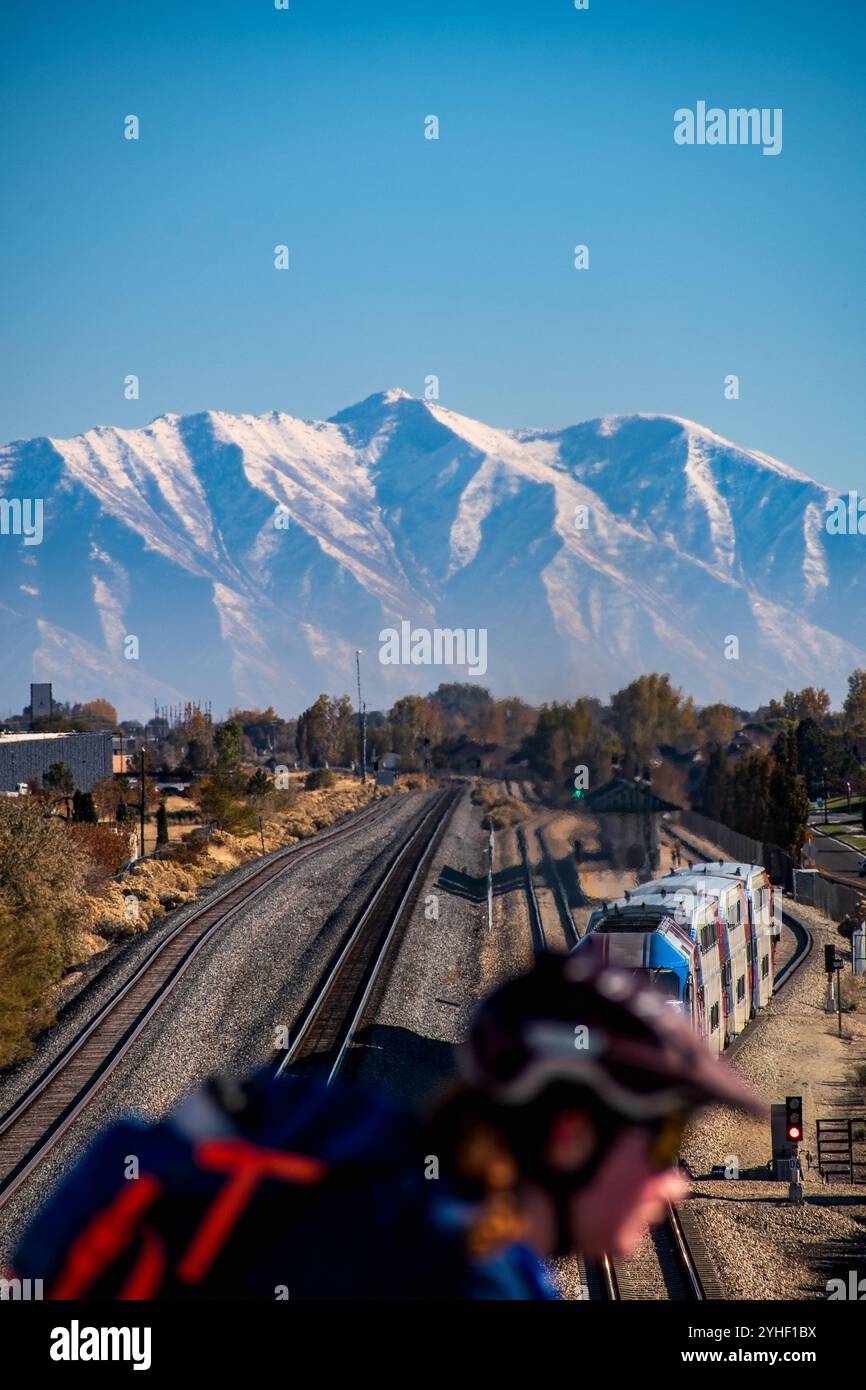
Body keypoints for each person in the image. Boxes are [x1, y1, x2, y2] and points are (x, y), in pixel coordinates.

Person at [10, 940, 764, 1300]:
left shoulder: (341, 1149)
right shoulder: (476, 1280)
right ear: (570, 1136)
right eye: (665, 1141)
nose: (675, 1184)